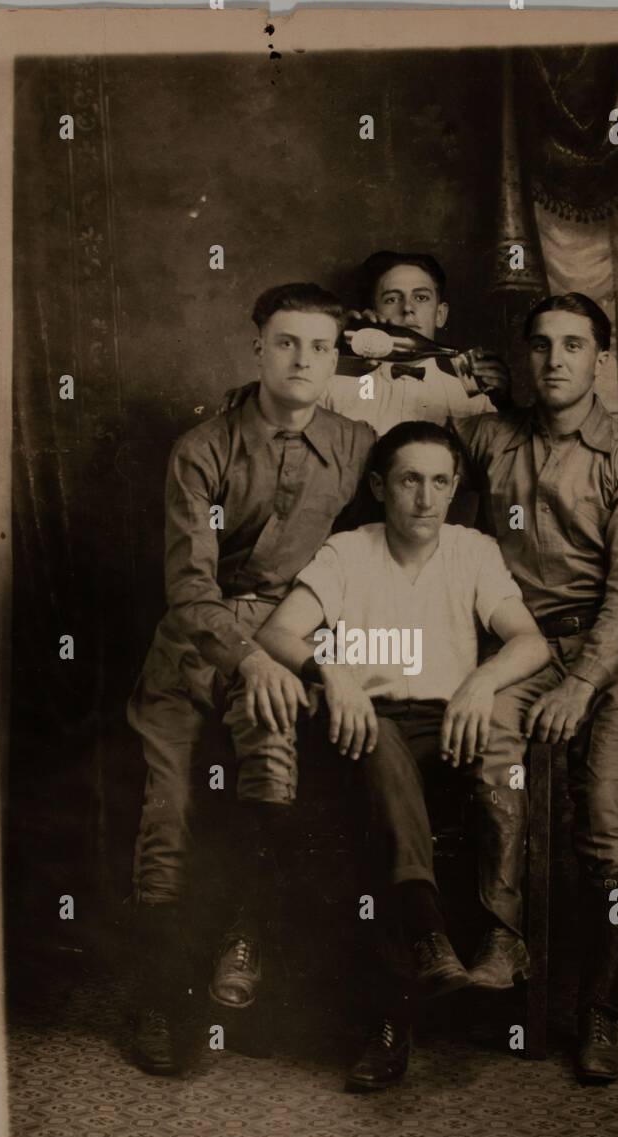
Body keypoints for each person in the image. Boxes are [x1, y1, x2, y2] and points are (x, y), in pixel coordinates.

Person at [126, 283, 375, 1075]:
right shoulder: (203, 449)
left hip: (290, 636)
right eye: (286, 342)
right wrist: (253, 656)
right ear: (258, 347)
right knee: (167, 811)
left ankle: (246, 941)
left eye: (320, 346)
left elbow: (382, 547)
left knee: (274, 770)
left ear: (337, 357)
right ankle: (165, 1002)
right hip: (198, 646)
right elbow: (189, 590)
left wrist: (312, 655)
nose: (303, 360)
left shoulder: (358, 444)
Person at [258, 421, 550, 1092]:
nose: (424, 497)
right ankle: (421, 940)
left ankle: (397, 1008)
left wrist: (480, 680)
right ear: (379, 487)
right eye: (409, 480)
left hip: (450, 732)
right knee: (377, 762)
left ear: (454, 490)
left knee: (387, 821)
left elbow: (530, 643)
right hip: (368, 729)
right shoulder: (348, 551)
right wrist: (331, 672)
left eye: (439, 481)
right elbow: (276, 631)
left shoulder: (472, 550)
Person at [455, 292, 618, 1083]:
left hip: (613, 654)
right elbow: (385, 442)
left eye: (573, 346)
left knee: (607, 824)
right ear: (523, 357)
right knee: (485, 750)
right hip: (521, 648)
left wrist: (582, 683)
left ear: (599, 360)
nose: (555, 360)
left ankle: (600, 1013)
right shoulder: (488, 437)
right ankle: (503, 935)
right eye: (542, 345)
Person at [319, 251, 511, 435]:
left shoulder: (476, 402)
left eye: (421, 297)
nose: (408, 308)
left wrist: (506, 404)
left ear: (440, 315)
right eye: (392, 299)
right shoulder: (333, 389)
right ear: (373, 314)